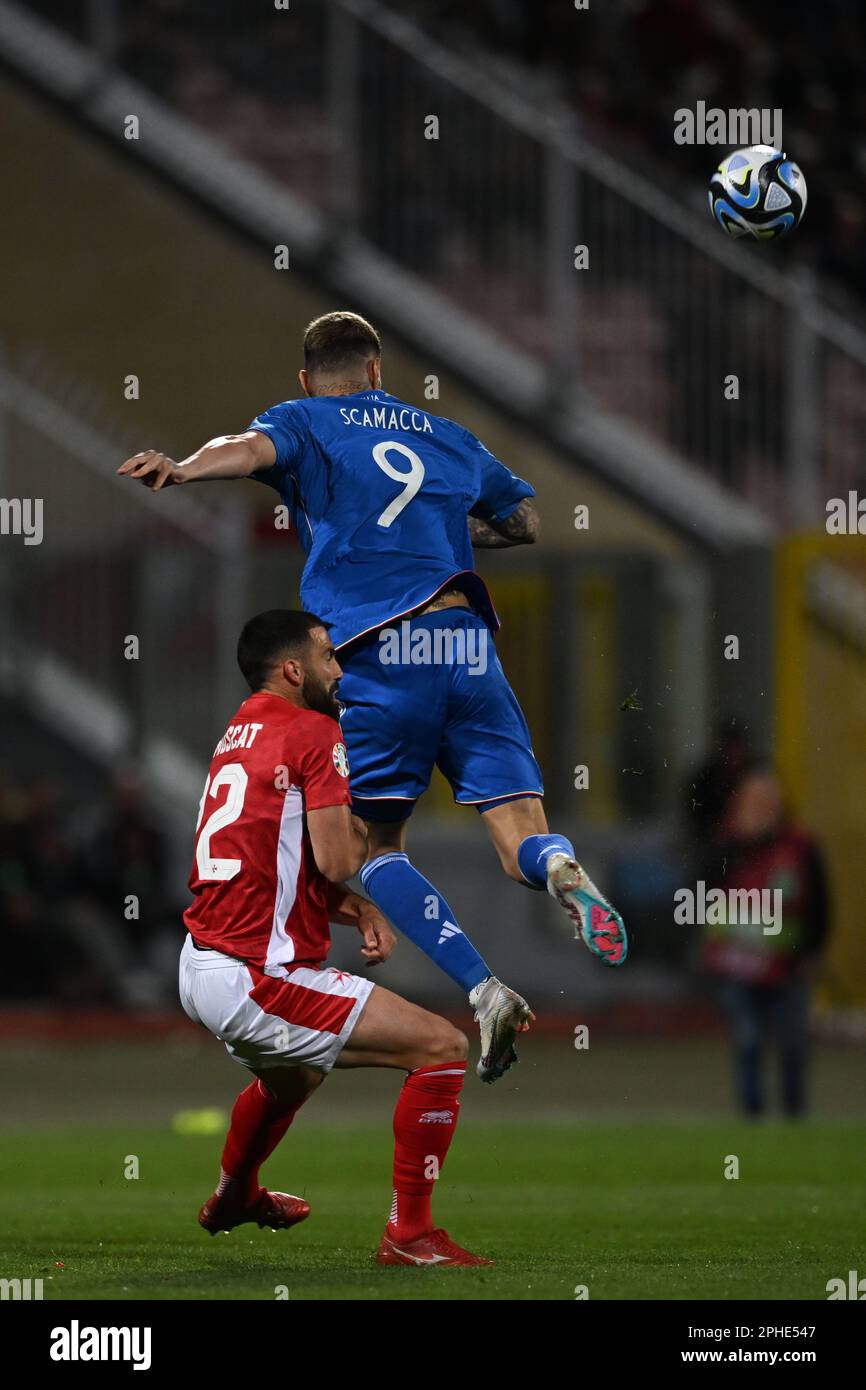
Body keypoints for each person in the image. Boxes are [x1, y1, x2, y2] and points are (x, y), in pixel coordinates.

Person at [119, 309, 627, 1081]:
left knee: (373, 849)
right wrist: (442, 531)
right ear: (379, 370)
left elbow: (248, 448)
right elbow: (522, 520)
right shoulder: (447, 435)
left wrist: (186, 467)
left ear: (305, 379)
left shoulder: (303, 421)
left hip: (383, 654)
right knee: (520, 832)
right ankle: (560, 867)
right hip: (465, 644)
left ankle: (483, 989)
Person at [181, 609, 501, 1266]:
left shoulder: (238, 734)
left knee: (291, 1080)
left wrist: (348, 908)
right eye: (328, 656)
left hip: (204, 962)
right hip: (256, 974)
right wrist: (381, 814)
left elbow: (273, 859)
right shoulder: (312, 731)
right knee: (440, 1047)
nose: (339, 668)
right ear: (292, 669)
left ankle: (236, 1193)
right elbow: (334, 857)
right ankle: (409, 1235)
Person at [701, 766, 830, 1118]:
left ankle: (794, 1115)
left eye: (768, 801)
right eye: (754, 801)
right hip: (737, 967)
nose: (761, 809)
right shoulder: (724, 847)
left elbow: (819, 904)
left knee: (793, 1044)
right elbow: (700, 898)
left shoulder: (801, 848)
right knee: (748, 1039)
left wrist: (813, 952)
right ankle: (752, 1117)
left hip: (788, 965)